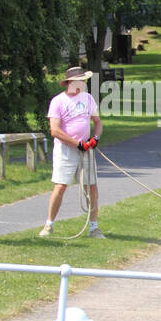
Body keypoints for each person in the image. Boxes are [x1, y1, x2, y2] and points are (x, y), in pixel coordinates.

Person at [40, 66, 103, 238]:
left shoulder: (88, 99)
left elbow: (97, 122)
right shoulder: (58, 101)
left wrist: (94, 139)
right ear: (71, 82)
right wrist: (77, 143)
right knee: (60, 186)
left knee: (91, 187)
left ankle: (94, 227)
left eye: (84, 80)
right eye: (81, 80)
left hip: (86, 149)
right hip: (66, 149)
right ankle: (49, 225)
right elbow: (55, 130)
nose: (84, 83)